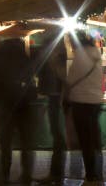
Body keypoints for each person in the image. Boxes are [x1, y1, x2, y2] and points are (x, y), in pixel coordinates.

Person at [0, 37, 36, 183]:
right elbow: (31, 78)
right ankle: (26, 174)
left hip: (5, 106)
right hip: (24, 106)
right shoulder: (24, 58)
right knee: (26, 143)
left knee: (5, 144)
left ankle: (5, 175)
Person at [66, 31, 103, 182]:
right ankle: (98, 171)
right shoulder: (96, 53)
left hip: (81, 102)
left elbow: (71, 78)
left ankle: (90, 173)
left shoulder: (81, 55)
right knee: (95, 138)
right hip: (95, 101)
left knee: (85, 139)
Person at [36, 30, 68, 184]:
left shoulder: (58, 56)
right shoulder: (57, 54)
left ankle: (57, 174)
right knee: (57, 136)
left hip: (56, 98)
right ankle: (55, 174)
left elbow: (62, 75)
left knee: (58, 137)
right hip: (53, 96)